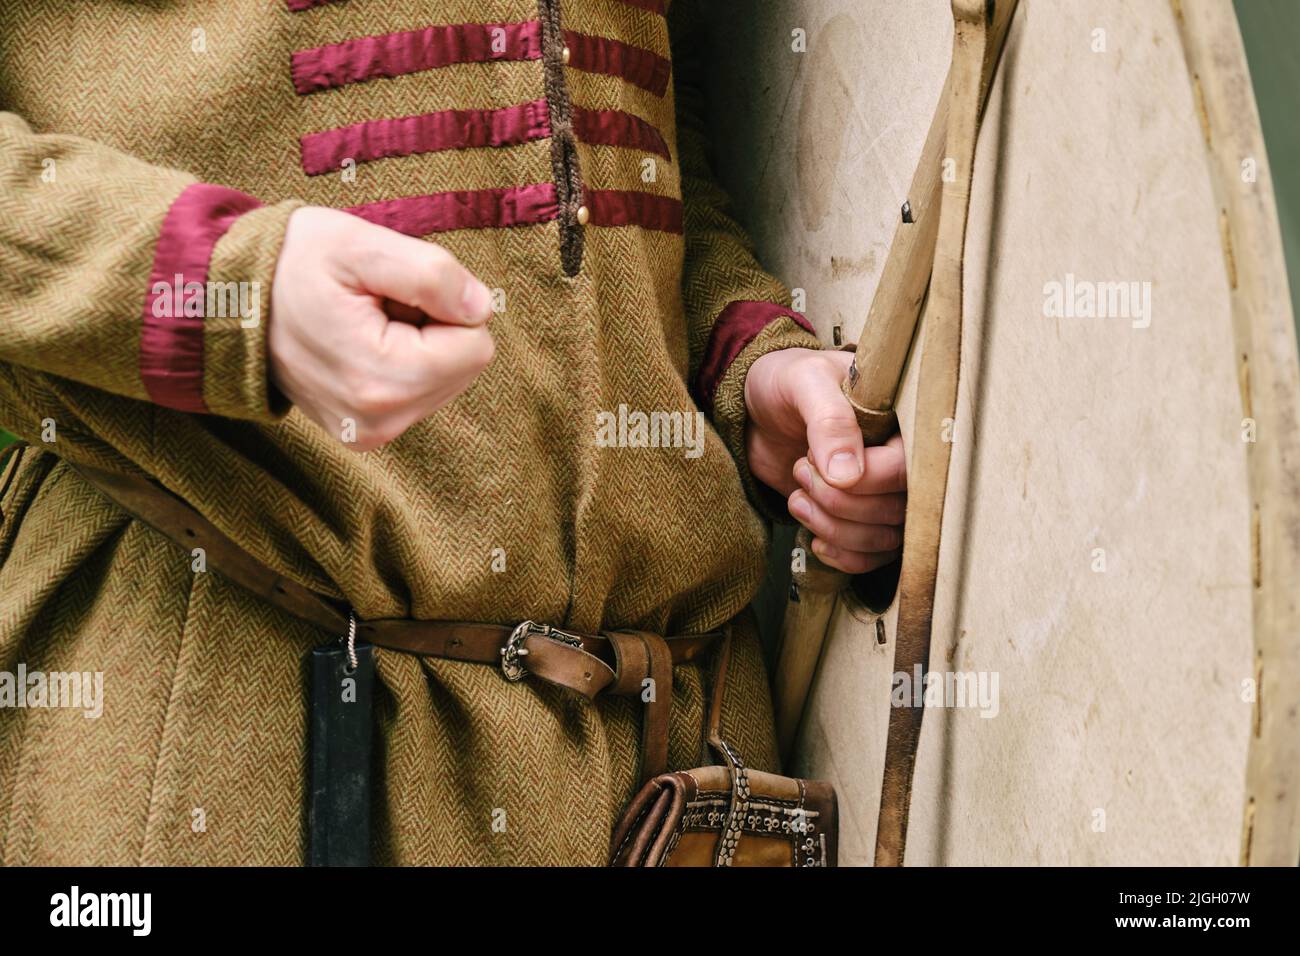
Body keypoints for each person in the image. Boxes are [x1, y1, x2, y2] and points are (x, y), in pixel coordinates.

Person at [0, 0, 905, 864]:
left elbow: (641, 116)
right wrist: (226, 287)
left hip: (673, 752)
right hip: (232, 713)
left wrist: (741, 359)